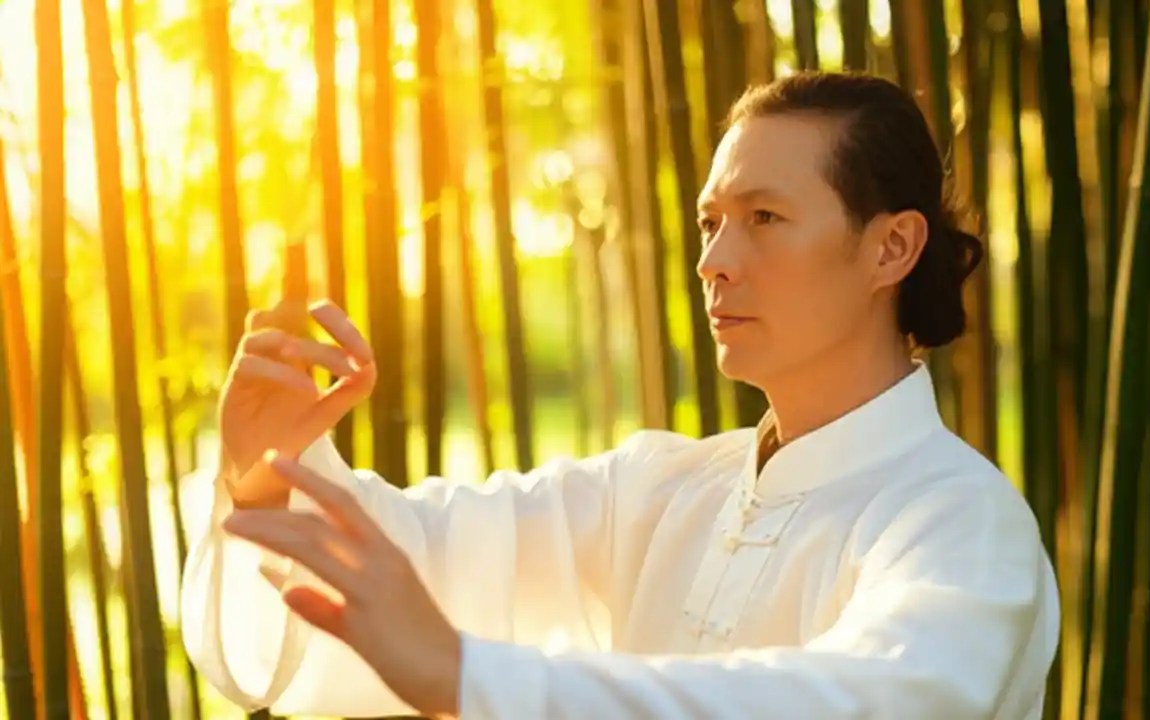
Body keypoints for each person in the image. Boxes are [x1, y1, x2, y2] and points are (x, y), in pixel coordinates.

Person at [181, 71, 1060, 719]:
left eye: (764, 218)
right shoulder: (660, 489)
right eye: (712, 222)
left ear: (890, 248)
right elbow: (431, 553)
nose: (714, 262)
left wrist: (468, 674)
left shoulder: (960, 524)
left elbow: (869, 697)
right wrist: (268, 472)